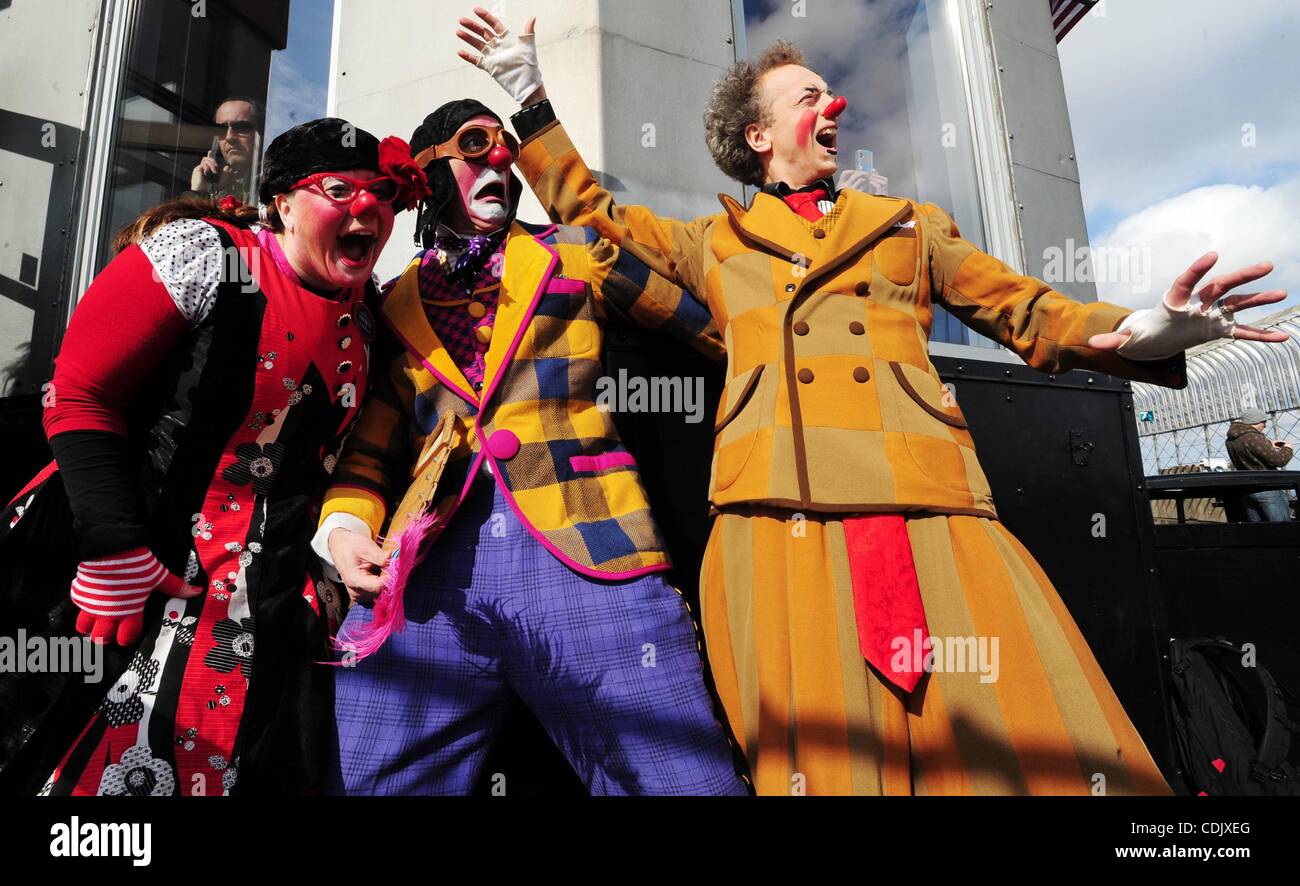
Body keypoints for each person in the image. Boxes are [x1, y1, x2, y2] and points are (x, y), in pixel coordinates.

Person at [458, 7, 1293, 795]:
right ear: (757, 134)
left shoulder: (908, 224)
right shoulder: (712, 244)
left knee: (1034, 748)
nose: (836, 104)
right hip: (776, 519)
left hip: (933, 510)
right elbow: (592, 216)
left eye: (832, 93)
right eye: (810, 95)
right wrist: (531, 100)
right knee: (821, 764)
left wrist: (1153, 330)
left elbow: (1031, 312)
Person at [315, 99, 748, 796]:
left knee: (678, 776)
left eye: (506, 148)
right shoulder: (392, 302)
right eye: (476, 143)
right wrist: (343, 530)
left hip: (590, 552)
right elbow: (366, 452)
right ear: (426, 174)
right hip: (430, 581)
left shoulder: (575, 254)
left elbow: (717, 329)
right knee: (370, 775)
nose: (498, 159)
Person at [0, 117, 423, 795]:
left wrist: (342, 536)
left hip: (269, 611)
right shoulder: (203, 254)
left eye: (381, 194)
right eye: (339, 190)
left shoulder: (370, 319)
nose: (366, 208)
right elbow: (79, 393)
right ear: (281, 201)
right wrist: (114, 549)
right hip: (134, 580)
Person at [188, 97, 263, 202]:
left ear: (260, 133)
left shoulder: (276, 184)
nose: (229, 137)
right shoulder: (217, 187)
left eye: (241, 127)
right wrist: (199, 192)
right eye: (221, 129)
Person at [1226, 407, 1294, 522]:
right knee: (1282, 530)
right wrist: (1288, 449)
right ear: (1256, 421)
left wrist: (1267, 445)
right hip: (1268, 489)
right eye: (1264, 422)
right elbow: (1279, 460)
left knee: (1258, 532)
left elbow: (1249, 451)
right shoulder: (1254, 437)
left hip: (1248, 490)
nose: (1265, 426)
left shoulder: (1231, 440)